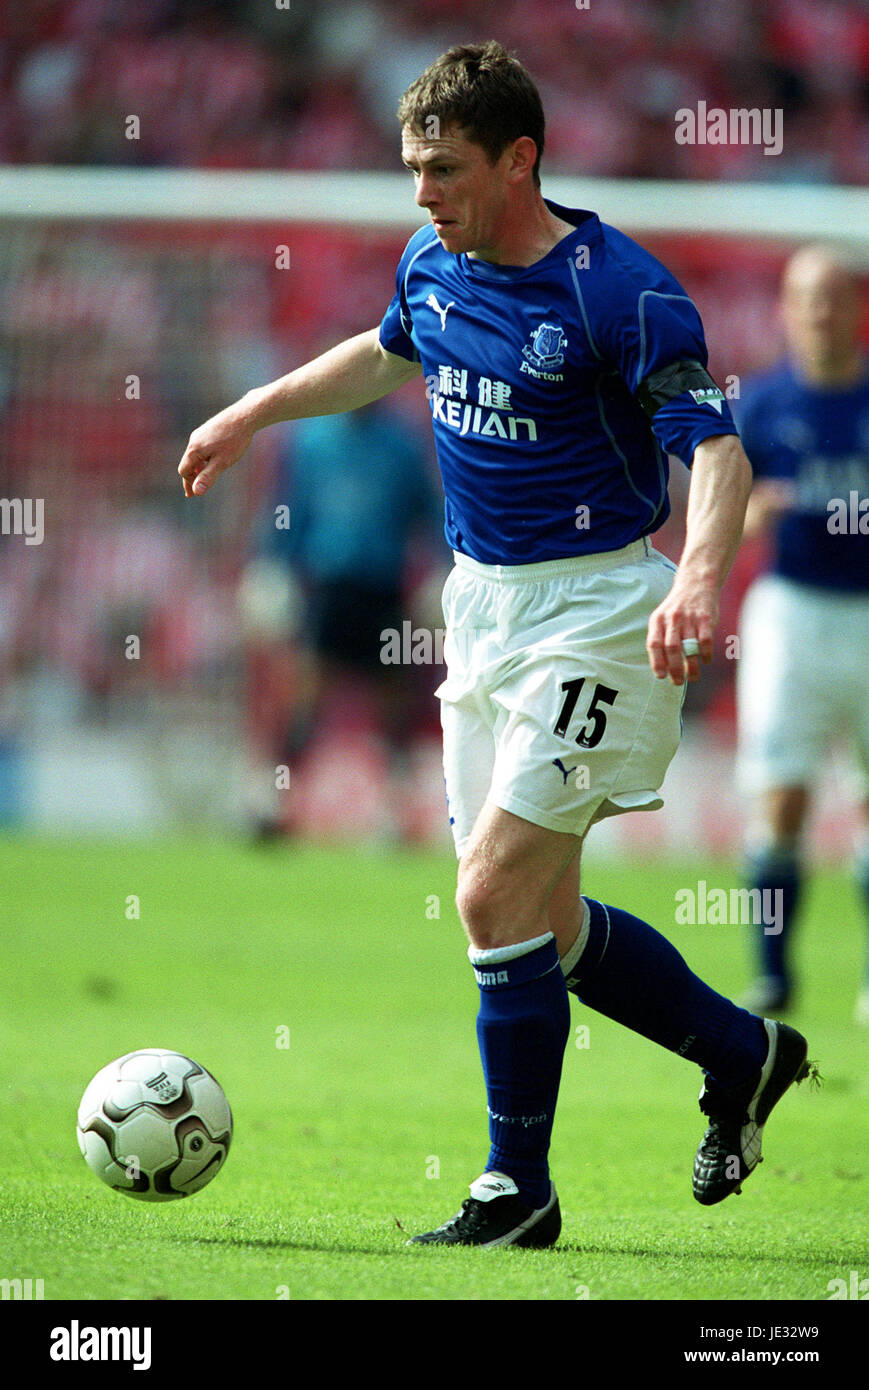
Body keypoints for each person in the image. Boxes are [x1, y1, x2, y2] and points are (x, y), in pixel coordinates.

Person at [178, 41, 816, 1247]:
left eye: (444, 170)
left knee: (490, 889)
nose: (420, 194)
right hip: (481, 611)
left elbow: (716, 451)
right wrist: (249, 411)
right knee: (536, 928)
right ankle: (745, 1054)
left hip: (601, 614)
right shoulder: (433, 262)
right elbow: (383, 352)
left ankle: (513, 1188)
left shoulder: (617, 290)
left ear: (518, 160)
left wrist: (693, 580)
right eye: (412, 169)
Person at [734, 245, 869, 1020]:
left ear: (855, 308)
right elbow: (728, 517)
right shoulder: (759, 405)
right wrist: (762, 510)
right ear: (785, 310)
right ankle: (773, 976)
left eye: (833, 299)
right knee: (782, 797)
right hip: (792, 612)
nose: (819, 314)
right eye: (804, 299)